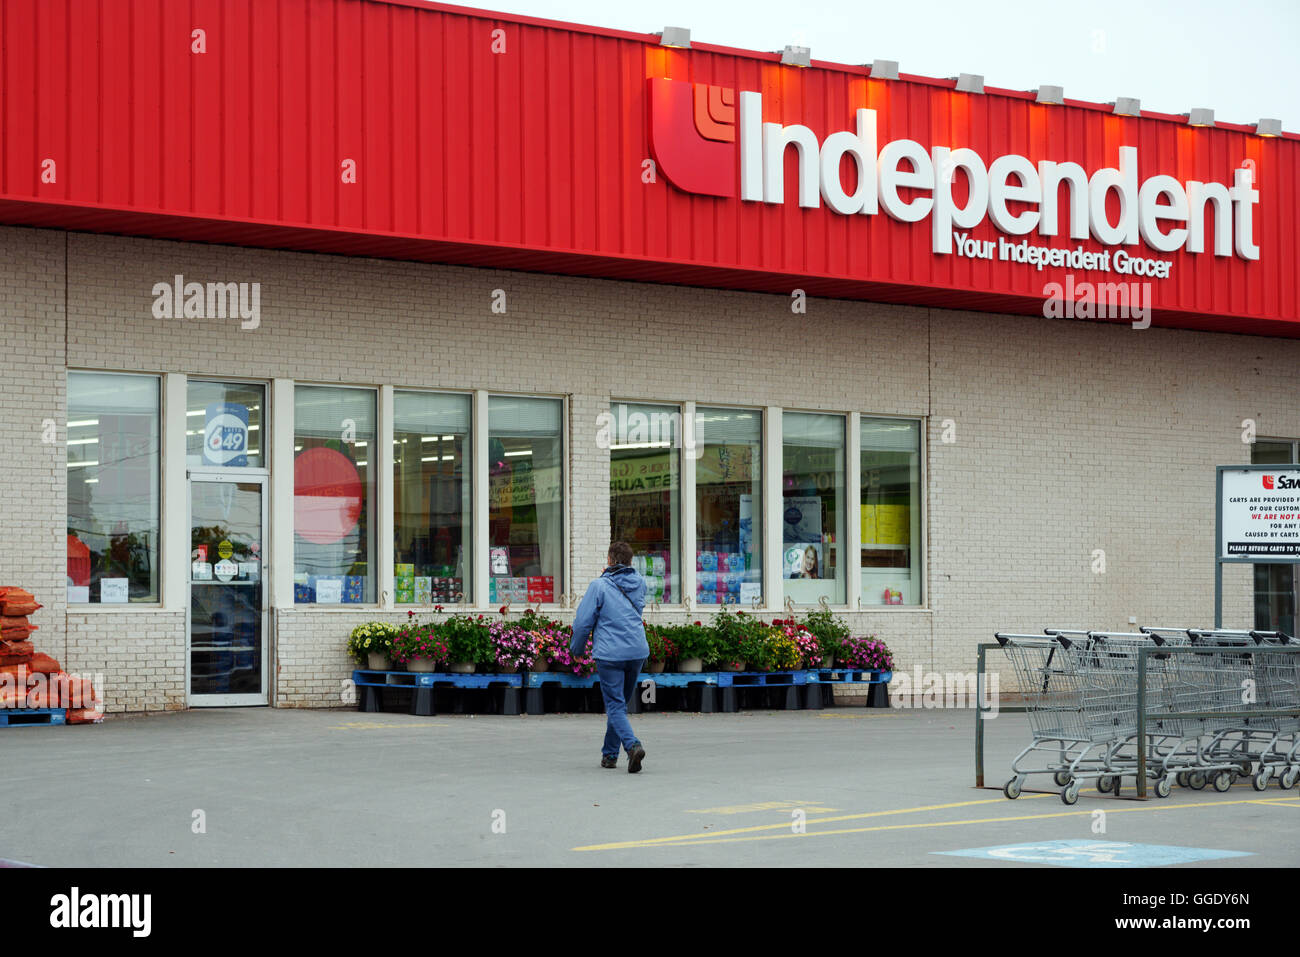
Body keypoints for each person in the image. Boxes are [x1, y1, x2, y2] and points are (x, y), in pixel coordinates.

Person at [570, 542, 650, 773]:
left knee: (615, 705)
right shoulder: (640, 583)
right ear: (630, 562)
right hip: (636, 651)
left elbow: (583, 622)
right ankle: (609, 755)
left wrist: (576, 650)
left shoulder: (599, 586)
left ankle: (632, 745)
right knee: (619, 705)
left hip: (610, 654)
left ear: (610, 560)